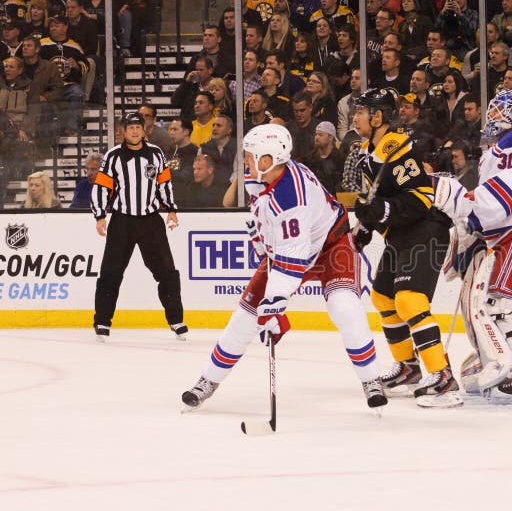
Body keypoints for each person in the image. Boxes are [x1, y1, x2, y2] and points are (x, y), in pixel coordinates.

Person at [181, 123, 388, 411]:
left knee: (345, 307)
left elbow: (291, 261)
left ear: (268, 160)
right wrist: (259, 234)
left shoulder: (293, 200)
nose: (246, 160)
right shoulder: (264, 176)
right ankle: (208, 380)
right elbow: (274, 233)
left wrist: (275, 305)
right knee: (245, 317)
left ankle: (371, 379)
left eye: (251, 155)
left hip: (332, 246)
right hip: (291, 250)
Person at [431, 88, 512, 400]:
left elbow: (502, 199)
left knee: (503, 302)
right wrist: (470, 226)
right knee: (501, 300)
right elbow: (494, 205)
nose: (494, 116)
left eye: (503, 111)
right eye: (494, 109)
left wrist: (463, 206)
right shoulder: (501, 148)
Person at [351, 87, 459, 408]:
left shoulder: (398, 148)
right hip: (400, 233)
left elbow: (420, 198)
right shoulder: (369, 150)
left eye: (360, 112)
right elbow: (373, 200)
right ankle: (409, 369)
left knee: (410, 300)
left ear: (378, 116)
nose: (355, 117)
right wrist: (366, 226)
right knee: (383, 296)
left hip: (426, 229)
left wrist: (380, 212)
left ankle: (442, 376)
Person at [90, 112, 187, 342]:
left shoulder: (156, 154)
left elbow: (164, 183)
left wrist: (171, 210)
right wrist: (99, 215)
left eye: (138, 127)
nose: (134, 131)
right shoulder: (113, 156)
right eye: (130, 127)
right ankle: (102, 322)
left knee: (167, 272)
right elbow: (101, 187)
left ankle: (176, 320)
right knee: (110, 273)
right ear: (123, 131)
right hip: (122, 221)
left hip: (151, 221)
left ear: (144, 130)